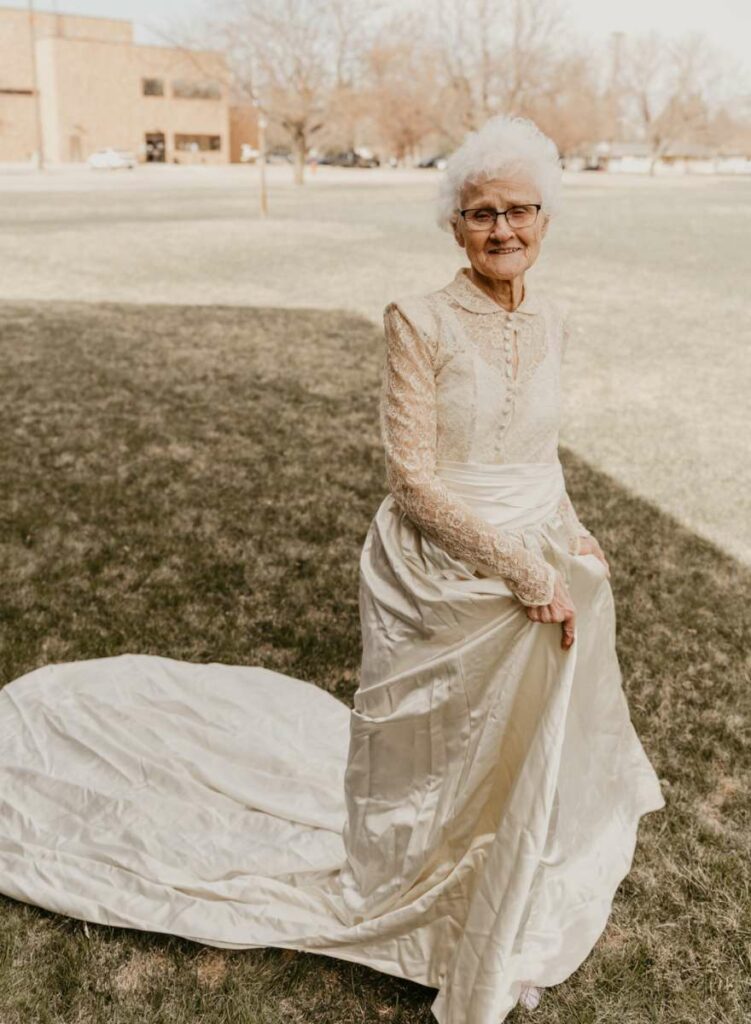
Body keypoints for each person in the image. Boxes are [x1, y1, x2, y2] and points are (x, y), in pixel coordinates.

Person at [0, 115, 665, 1023]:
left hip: (532, 566)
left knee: (508, 760)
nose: (501, 229)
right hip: (437, 573)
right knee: (427, 759)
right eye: (479, 214)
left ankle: (494, 904)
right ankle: (420, 906)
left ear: (546, 218)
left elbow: (537, 456)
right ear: (453, 224)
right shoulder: (418, 320)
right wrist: (521, 568)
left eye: (518, 210)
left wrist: (572, 535)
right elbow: (413, 478)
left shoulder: (552, 319)